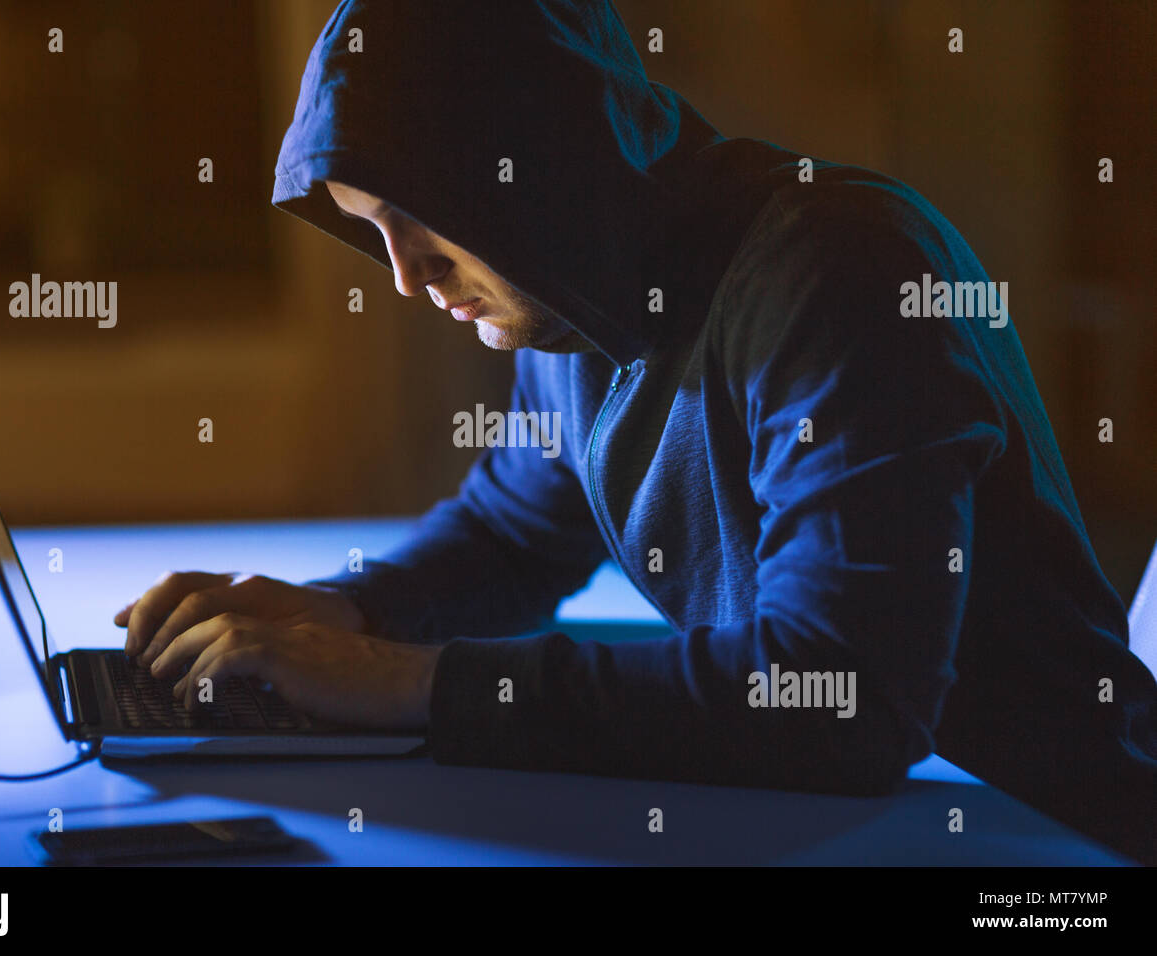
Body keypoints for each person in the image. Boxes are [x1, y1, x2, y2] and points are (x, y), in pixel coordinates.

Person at [115, 0, 1157, 864]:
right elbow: (513, 532)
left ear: (535, 154)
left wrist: (406, 683)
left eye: (421, 217)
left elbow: (842, 696)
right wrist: (339, 611)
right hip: (856, 830)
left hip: (1054, 841)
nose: (404, 275)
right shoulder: (569, 301)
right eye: (371, 230)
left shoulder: (844, 270)